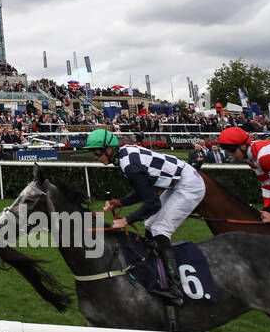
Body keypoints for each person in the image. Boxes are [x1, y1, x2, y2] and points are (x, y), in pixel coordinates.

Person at [83, 128, 204, 306]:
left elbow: (152, 203)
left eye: (97, 152)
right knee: (150, 224)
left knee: (160, 229)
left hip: (189, 185)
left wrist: (126, 220)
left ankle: (175, 289)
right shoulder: (124, 156)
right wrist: (120, 203)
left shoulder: (129, 165)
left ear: (109, 149)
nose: (95, 157)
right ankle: (156, 272)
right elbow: (144, 192)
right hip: (178, 182)